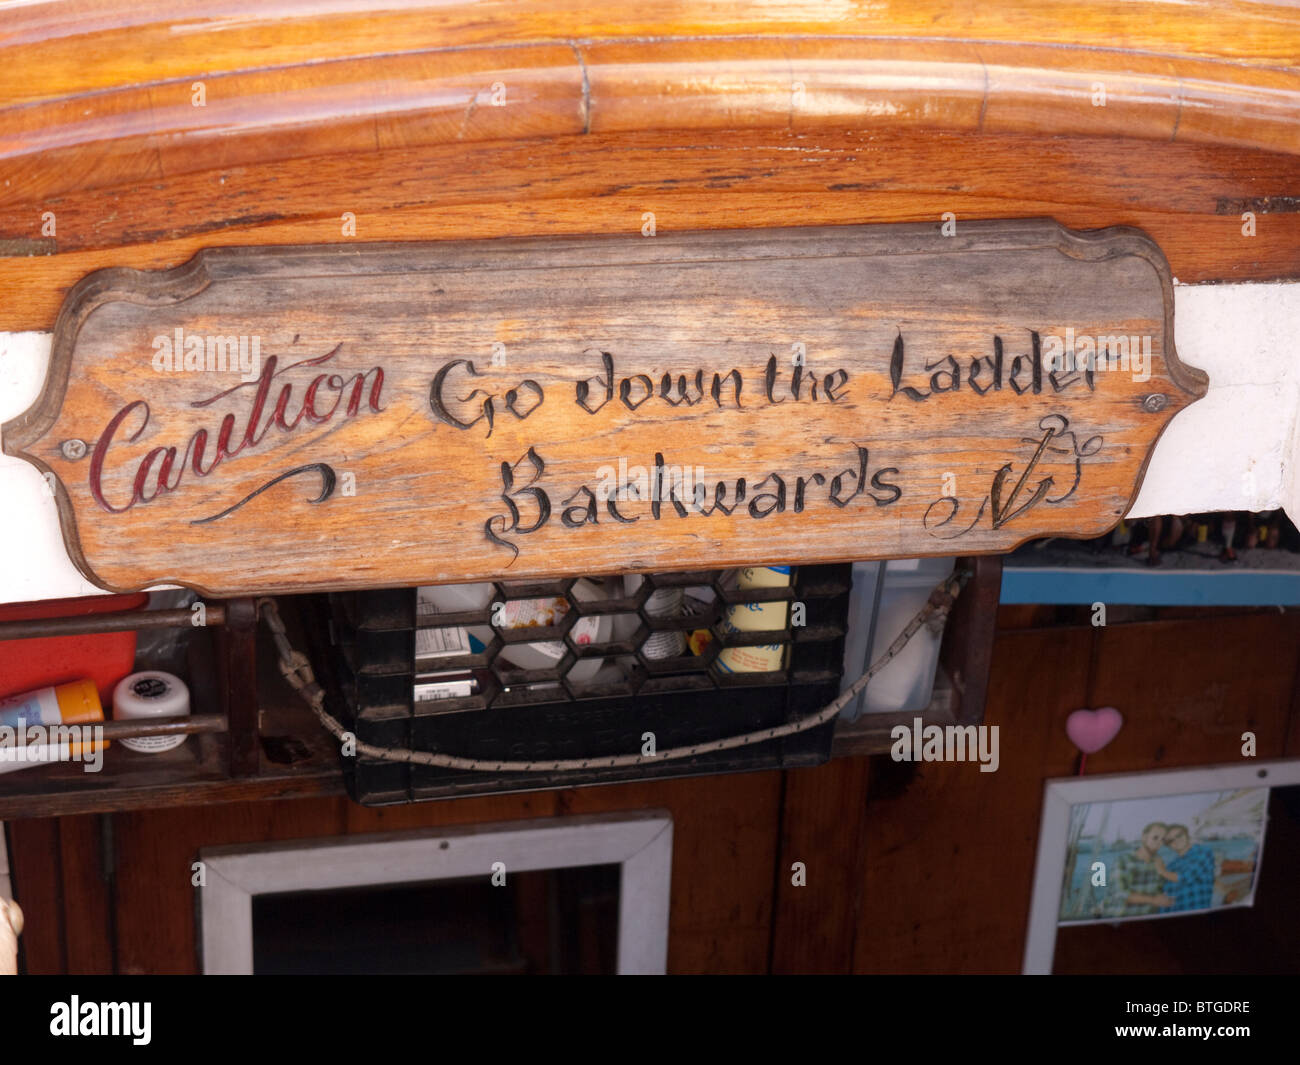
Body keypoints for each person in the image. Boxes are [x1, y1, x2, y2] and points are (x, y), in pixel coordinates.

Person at [1108, 821, 1174, 916]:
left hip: (1149, 919)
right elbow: (1120, 894)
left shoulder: (1159, 863)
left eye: (1163, 839)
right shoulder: (1124, 860)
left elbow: (1161, 890)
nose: (1159, 842)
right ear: (1144, 837)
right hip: (1122, 919)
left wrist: (1163, 872)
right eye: (1155, 838)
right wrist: (1153, 900)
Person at [1155, 824, 1217, 912]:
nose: (1176, 840)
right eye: (1170, 840)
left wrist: (1161, 871)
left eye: (1179, 835)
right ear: (1168, 845)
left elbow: (1184, 877)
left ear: (1187, 835)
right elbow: (1163, 888)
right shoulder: (1172, 864)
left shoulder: (1203, 852)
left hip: (1195, 913)